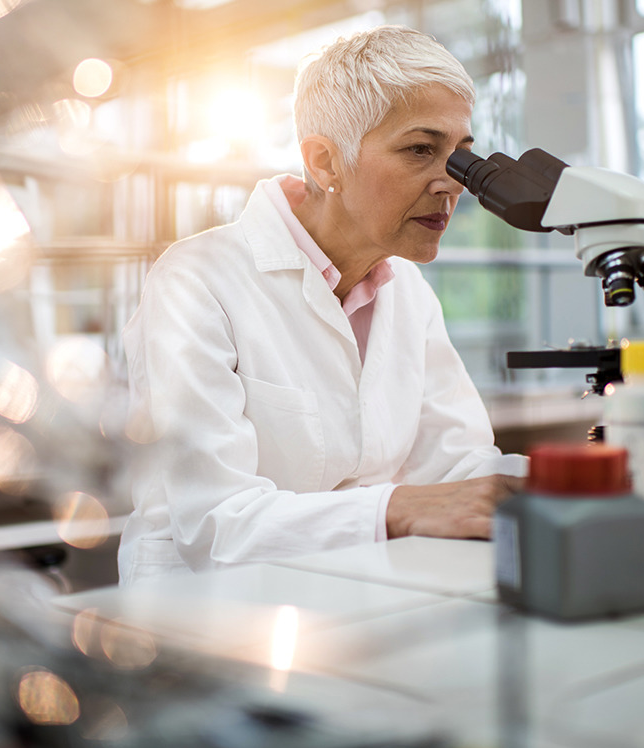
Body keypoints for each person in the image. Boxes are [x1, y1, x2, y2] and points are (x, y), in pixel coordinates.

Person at [117, 25, 528, 585]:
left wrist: (565, 480)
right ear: (326, 162)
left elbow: (457, 467)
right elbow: (217, 525)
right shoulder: (196, 280)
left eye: (459, 156)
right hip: (197, 619)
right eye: (419, 150)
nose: (451, 184)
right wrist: (397, 508)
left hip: (350, 598)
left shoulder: (405, 290)